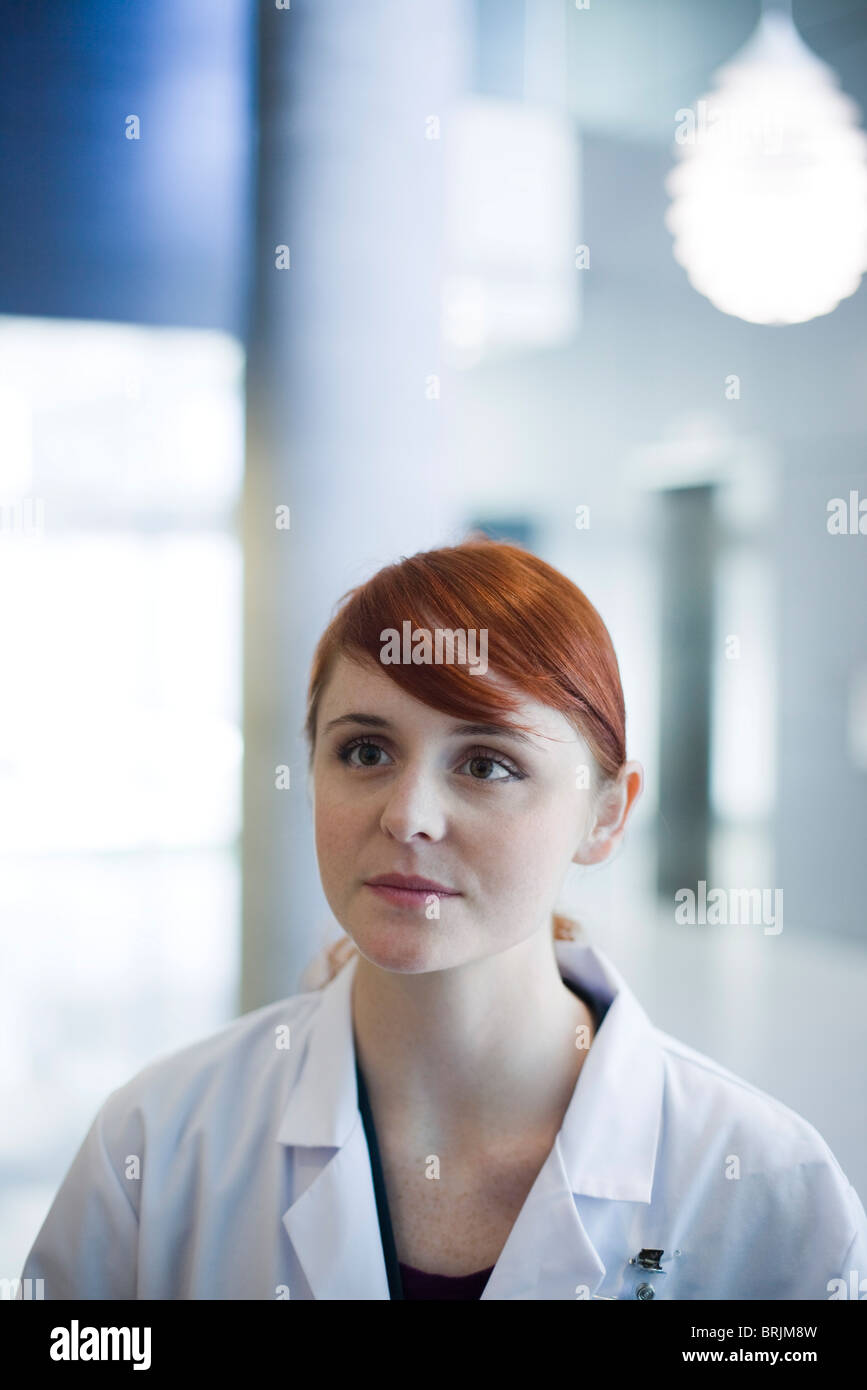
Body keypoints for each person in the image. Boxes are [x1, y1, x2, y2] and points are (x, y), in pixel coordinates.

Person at [21, 538, 867, 1299]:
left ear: (606, 814)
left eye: (487, 763)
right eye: (365, 751)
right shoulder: (161, 1143)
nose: (408, 815)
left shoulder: (766, 1187)